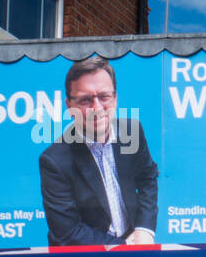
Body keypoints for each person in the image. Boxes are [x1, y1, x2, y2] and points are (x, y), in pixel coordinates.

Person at [39, 56, 158, 247]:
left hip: (134, 244)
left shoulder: (132, 132)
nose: (97, 108)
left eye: (104, 97)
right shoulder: (53, 160)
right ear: (69, 106)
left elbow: (148, 178)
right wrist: (123, 246)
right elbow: (68, 232)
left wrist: (144, 229)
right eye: (85, 100)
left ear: (115, 98)